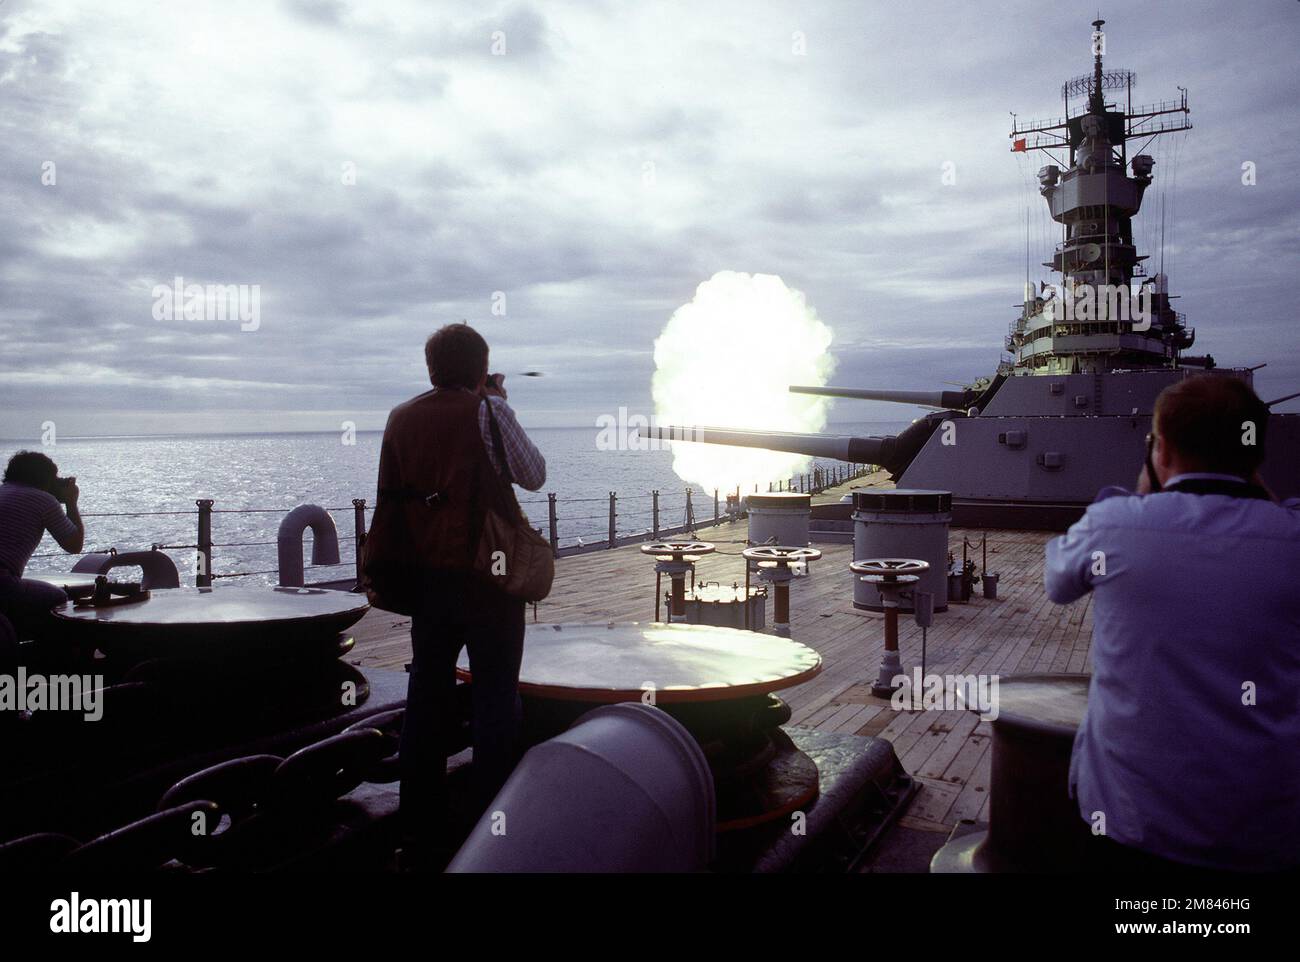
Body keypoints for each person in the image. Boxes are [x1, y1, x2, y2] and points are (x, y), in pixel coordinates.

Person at [1045, 374, 1300, 872]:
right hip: (1265, 830)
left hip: (1129, 819)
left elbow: (1058, 582)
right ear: (1255, 455)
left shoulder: (1114, 523)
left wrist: (1138, 496)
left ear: (1159, 450)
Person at [373, 323, 546, 865]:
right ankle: (491, 824)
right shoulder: (489, 411)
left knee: (427, 696)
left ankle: (418, 823)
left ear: (431, 368)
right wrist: (495, 401)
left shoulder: (401, 417)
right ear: (480, 367)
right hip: (487, 580)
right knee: (496, 697)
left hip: (426, 579)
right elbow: (533, 474)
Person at [0, 451, 85, 640]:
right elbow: (74, 545)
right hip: (3, 582)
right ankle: (50, 660)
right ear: (44, 478)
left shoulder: (3, 491)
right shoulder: (43, 500)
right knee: (58, 598)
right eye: (53, 478)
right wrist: (71, 502)